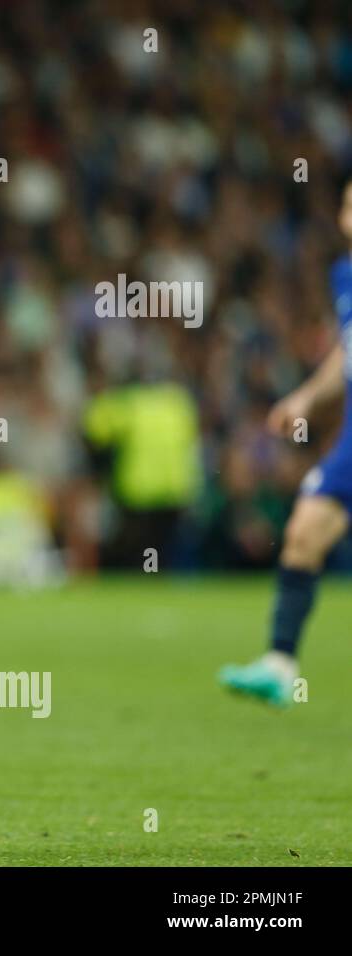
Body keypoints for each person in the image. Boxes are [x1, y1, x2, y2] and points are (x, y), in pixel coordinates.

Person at [220, 179, 352, 708]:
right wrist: (303, 399)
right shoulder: (344, 277)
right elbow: (347, 356)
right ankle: (279, 665)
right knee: (302, 533)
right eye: (346, 203)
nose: (348, 214)